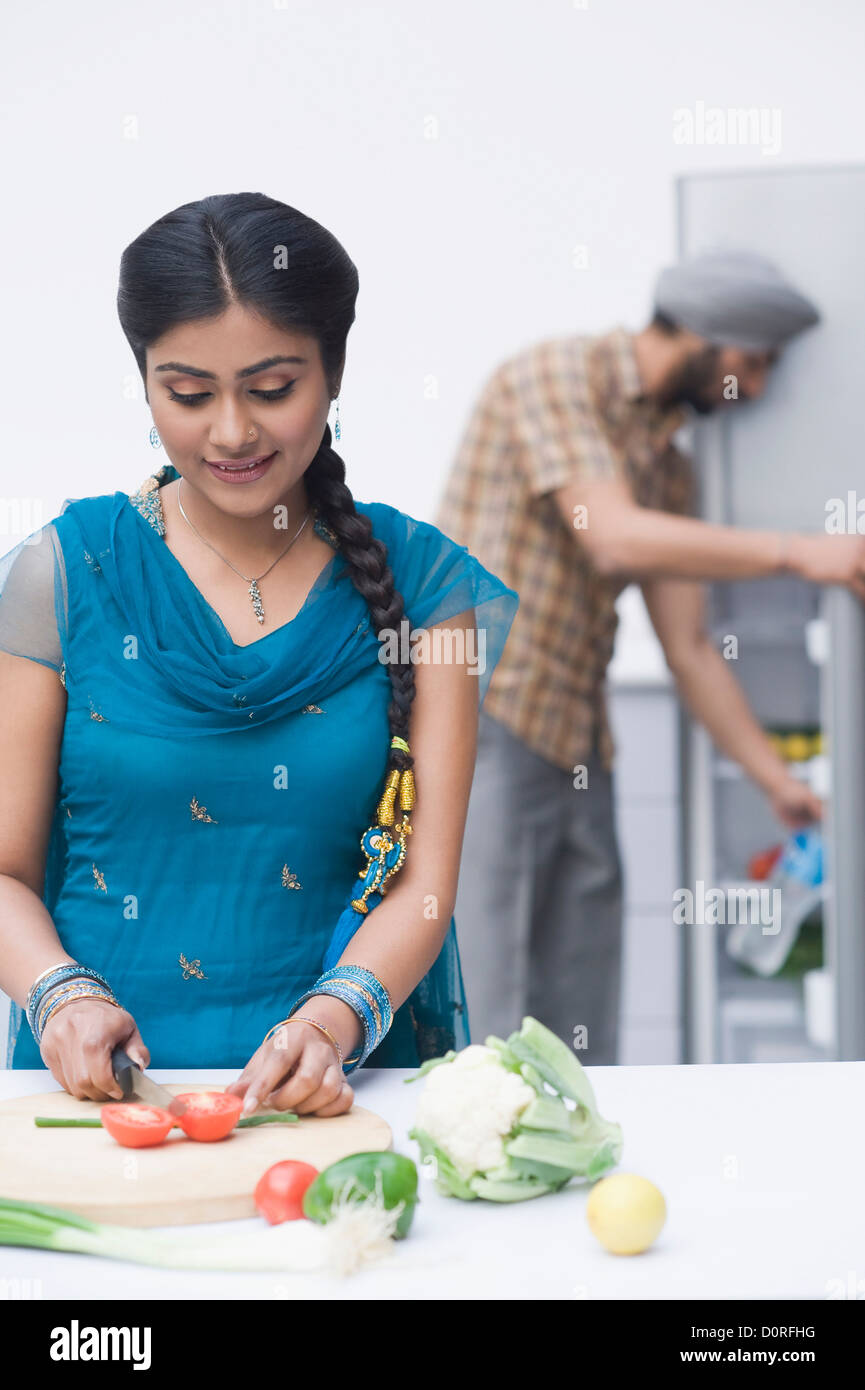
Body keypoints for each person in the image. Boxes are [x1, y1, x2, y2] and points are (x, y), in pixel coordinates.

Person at [0, 191, 518, 1117]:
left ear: (334, 374)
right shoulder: (64, 574)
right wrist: (57, 994)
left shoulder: (423, 585)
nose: (232, 433)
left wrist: (329, 1023)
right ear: (146, 380)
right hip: (99, 1100)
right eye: (188, 394)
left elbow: (424, 885)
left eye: (272, 389)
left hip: (339, 1091)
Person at [435, 249, 865, 1065]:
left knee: (577, 1011)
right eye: (753, 363)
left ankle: (569, 1183)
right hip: (483, 720)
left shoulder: (669, 468)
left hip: (578, 742)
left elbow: (689, 646)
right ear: (703, 336)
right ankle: (471, 1183)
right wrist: (800, 552)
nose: (759, 390)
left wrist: (779, 785)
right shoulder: (551, 377)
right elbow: (612, 539)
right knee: (486, 1004)